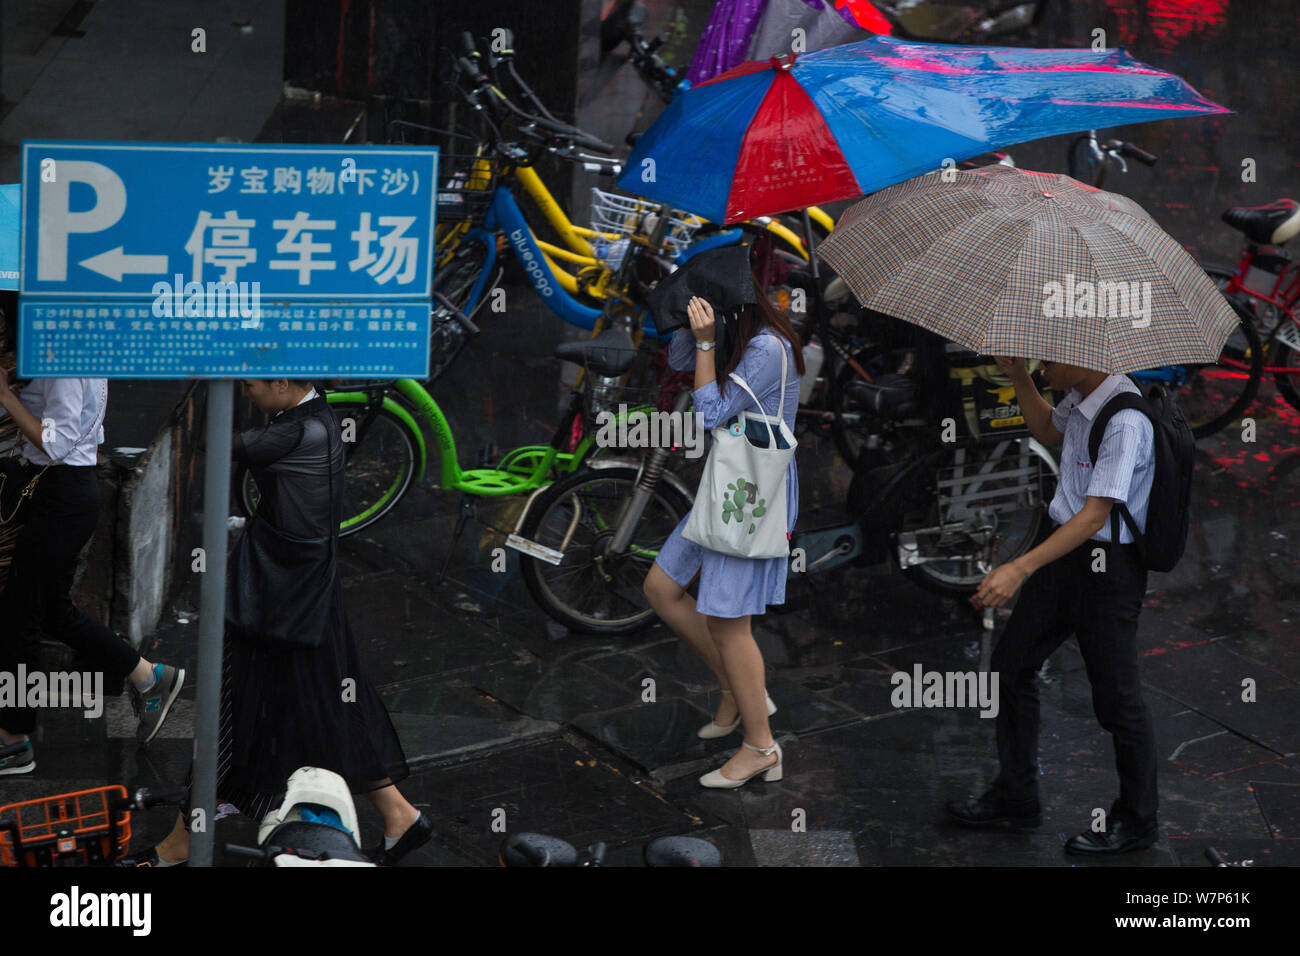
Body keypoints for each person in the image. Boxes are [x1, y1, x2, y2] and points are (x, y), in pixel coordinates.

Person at [119, 379, 429, 866]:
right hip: (305, 598)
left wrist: (203, 372)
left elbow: (216, 442)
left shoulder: (297, 432)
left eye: (252, 381)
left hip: (282, 601)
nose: (245, 389)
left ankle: (182, 843)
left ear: (283, 383)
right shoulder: (318, 415)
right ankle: (399, 814)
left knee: (238, 713)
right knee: (329, 705)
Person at [947, 356, 1159, 854]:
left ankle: (1137, 820)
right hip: (1064, 552)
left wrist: (1019, 567)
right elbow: (1045, 429)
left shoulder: (1125, 419)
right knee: (1010, 665)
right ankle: (1017, 797)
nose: (1046, 366)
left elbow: (1093, 516)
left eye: (1050, 359)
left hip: (1108, 569)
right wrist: (1018, 375)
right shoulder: (1080, 395)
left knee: (1117, 699)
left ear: (1084, 358)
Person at [643, 281, 804, 789]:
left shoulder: (767, 348)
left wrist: (709, 342)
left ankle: (761, 747)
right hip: (727, 485)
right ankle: (737, 688)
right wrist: (695, 334)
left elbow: (710, 413)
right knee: (661, 588)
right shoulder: (741, 334)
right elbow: (679, 364)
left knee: (730, 624)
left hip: (753, 493)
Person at [0, 372, 184, 774]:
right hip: (67, 493)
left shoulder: (63, 361)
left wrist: (6, 398)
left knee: (18, 619)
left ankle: (14, 741)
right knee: (51, 611)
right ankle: (148, 675)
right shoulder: (76, 352)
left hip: (61, 495)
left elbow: (57, 443)